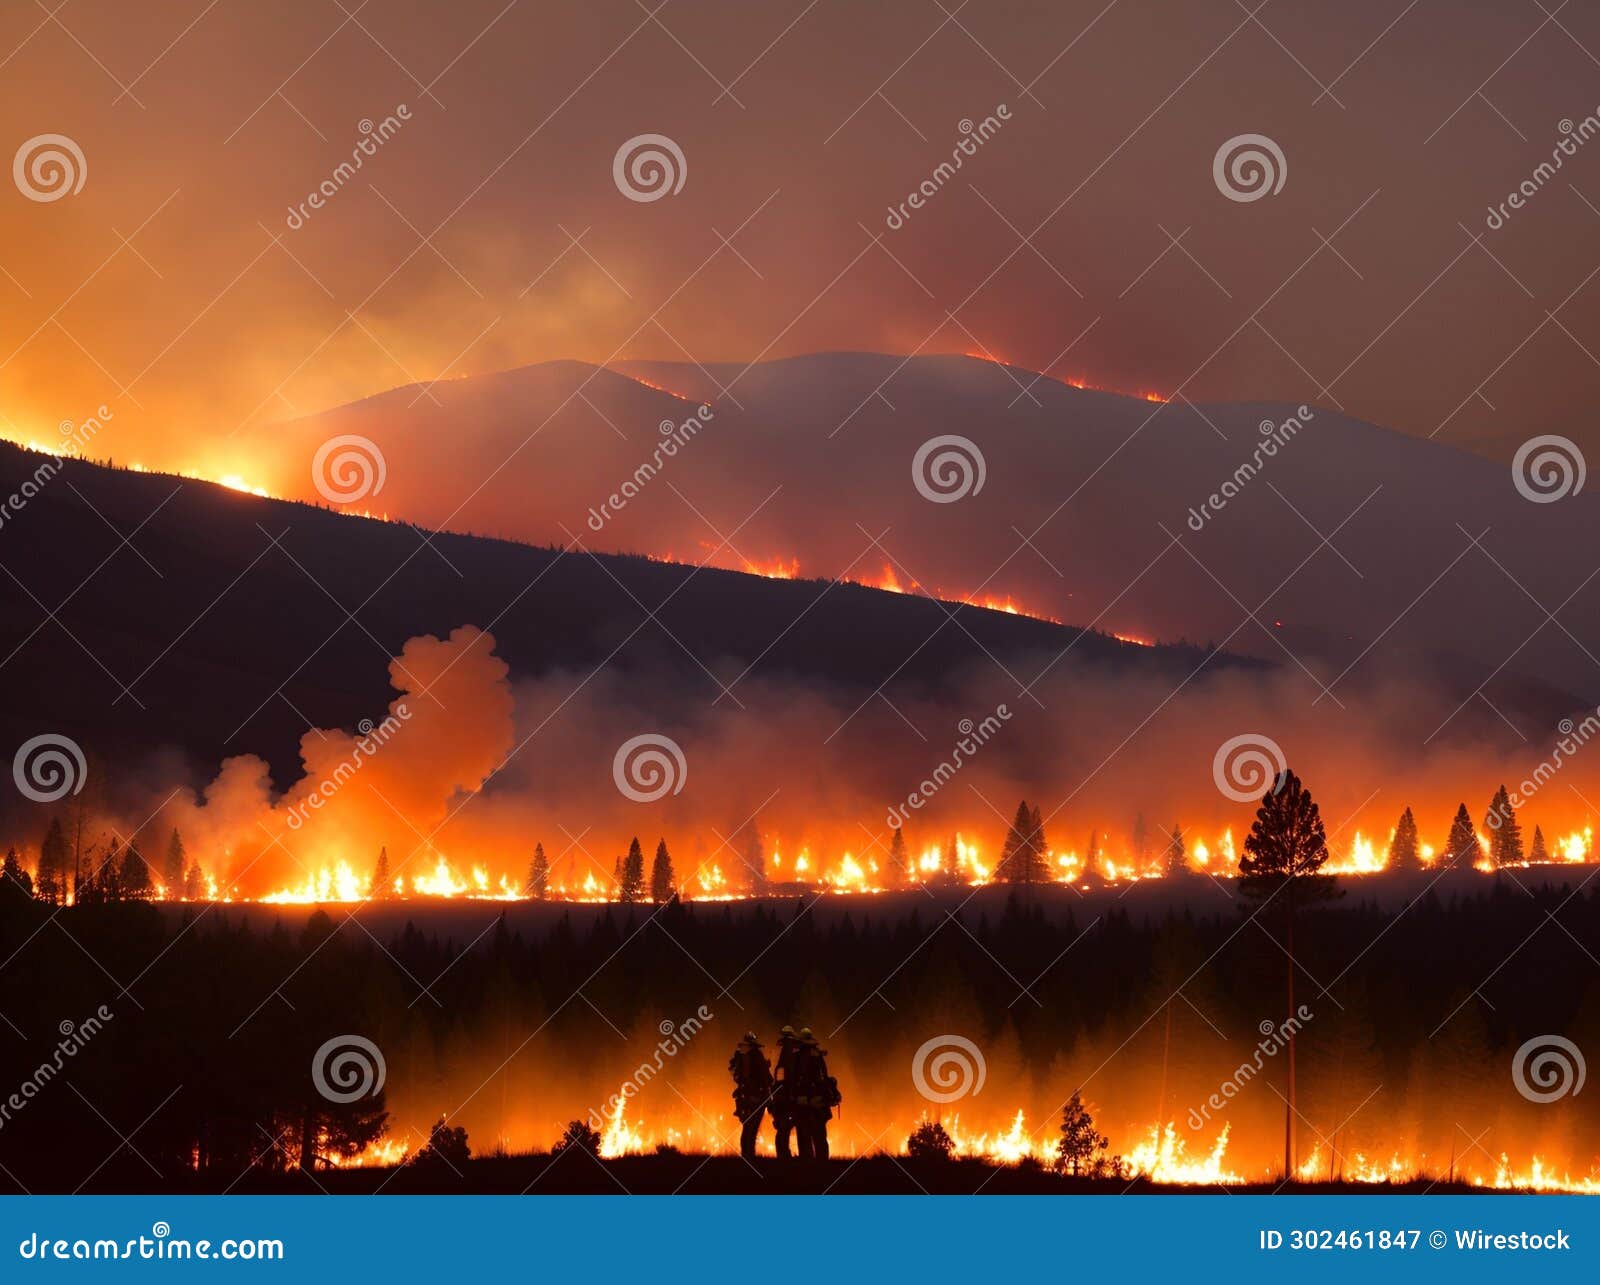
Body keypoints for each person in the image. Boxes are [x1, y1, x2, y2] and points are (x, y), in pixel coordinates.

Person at [791, 1027, 840, 1160]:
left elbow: (793, 1079)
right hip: (818, 1101)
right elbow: (824, 1077)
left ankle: (806, 1162)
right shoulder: (817, 1055)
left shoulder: (796, 1056)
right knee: (819, 1135)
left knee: (804, 1134)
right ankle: (822, 1162)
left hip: (802, 1101)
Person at [727, 1032, 772, 1160]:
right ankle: (750, 1156)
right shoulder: (756, 1055)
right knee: (752, 1128)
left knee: (747, 1127)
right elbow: (765, 1077)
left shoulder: (740, 1056)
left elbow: (735, 1074)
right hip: (757, 1096)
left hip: (743, 1097)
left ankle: (745, 1155)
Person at [770, 1025, 801, 1159]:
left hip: (781, 1097)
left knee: (783, 1128)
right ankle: (785, 1155)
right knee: (785, 1128)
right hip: (787, 1097)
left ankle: (783, 1155)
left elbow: (777, 1077)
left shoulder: (780, 1052)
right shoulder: (791, 1053)